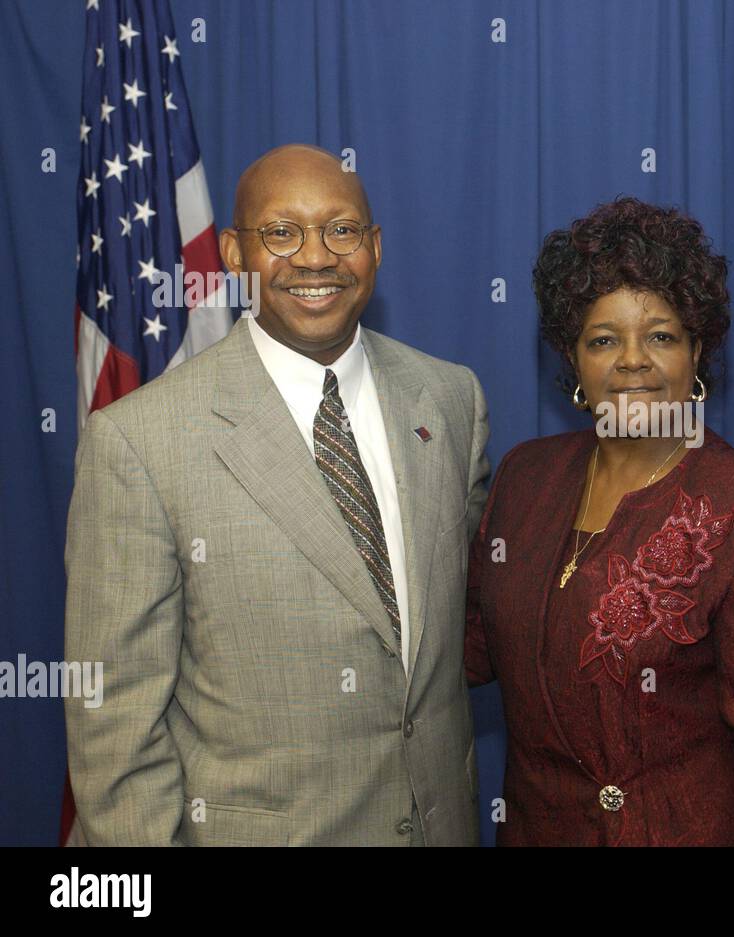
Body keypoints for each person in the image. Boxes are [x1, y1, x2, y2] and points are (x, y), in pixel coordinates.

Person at [63, 144, 489, 845]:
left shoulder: (450, 401)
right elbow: (114, 725)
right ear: (233, 253)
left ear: (375, 248)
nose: (315, 257)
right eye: (281, 233)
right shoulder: (137, 441)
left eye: (341, 230)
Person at [464, 196, 734, 845]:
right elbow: (465, 654)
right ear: (573, 359)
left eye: (660, 335)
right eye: (604, 339)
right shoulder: (524, 479)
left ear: (697, 353)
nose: (632, 360)